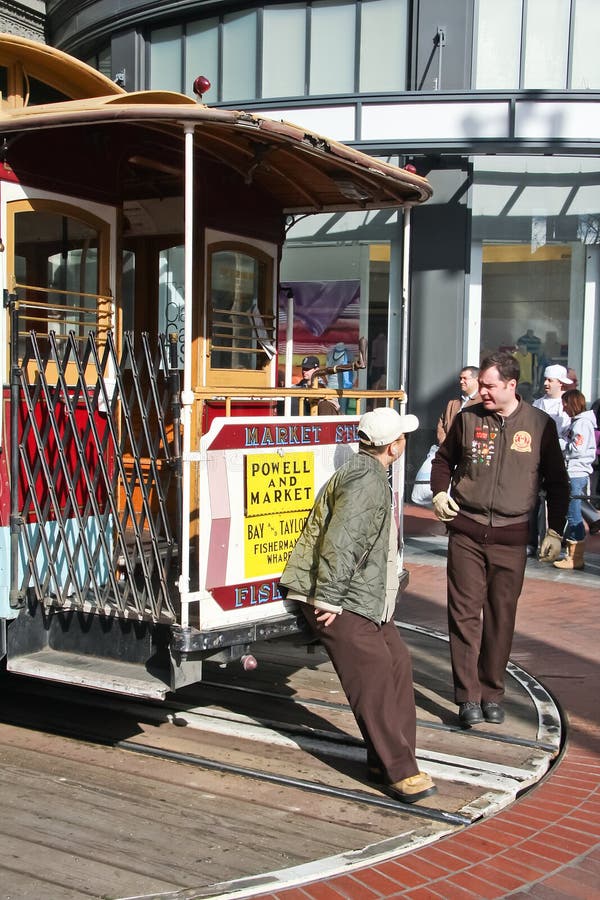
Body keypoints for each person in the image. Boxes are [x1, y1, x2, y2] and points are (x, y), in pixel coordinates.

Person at [280, 407, 437, 804]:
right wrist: (329, 599)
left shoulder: (369, 472)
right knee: (375, 675)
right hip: (341, 597)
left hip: (363, 598)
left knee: (396, 663)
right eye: (403, 436)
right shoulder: (366, 479)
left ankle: (383, 760)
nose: (406, 441)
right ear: (394, 446)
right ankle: (400, 770)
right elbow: (342, 541)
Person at [430, 352, 569, 729]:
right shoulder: (468, 418)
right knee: (463, 615)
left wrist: (556, 530)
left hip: (511, 538)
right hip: (467, 532)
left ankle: (492, 691)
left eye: (490, 386)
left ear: (511, 385)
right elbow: (443, 461)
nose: (483, 392)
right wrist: (440, 492)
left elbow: (558, 482)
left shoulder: (539, 425)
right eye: (483, 385)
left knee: (500, 618)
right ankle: (467, 697)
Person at [528, 363, 573, 555]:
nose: (546, 383)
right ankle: (531, 542)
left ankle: (557, 541)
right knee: (532, 502)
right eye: (545, 379)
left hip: (560, 460)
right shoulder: (537, 404)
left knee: (559, 501)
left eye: (550, 380)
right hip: (536, 460)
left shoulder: (567, 405)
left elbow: (569, 435)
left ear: (560, 383)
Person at [553, 389, 597, 570]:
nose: (563, 407)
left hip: (576, 472)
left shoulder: (582, 423)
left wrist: (561, 443)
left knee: (573, 514)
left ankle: (575, 556)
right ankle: (572, 554)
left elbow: (576, 449)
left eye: (564, 403)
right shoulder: (580, 422)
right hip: (576, 472)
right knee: (573, 512)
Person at [436, 366, 480, 445]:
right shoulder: (452, 403)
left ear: (476, 379)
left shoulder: (481, 402)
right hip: (449, 450)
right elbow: (441, 423)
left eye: (465, 378)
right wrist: (444, 443)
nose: (461, 381)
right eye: (460, 378)